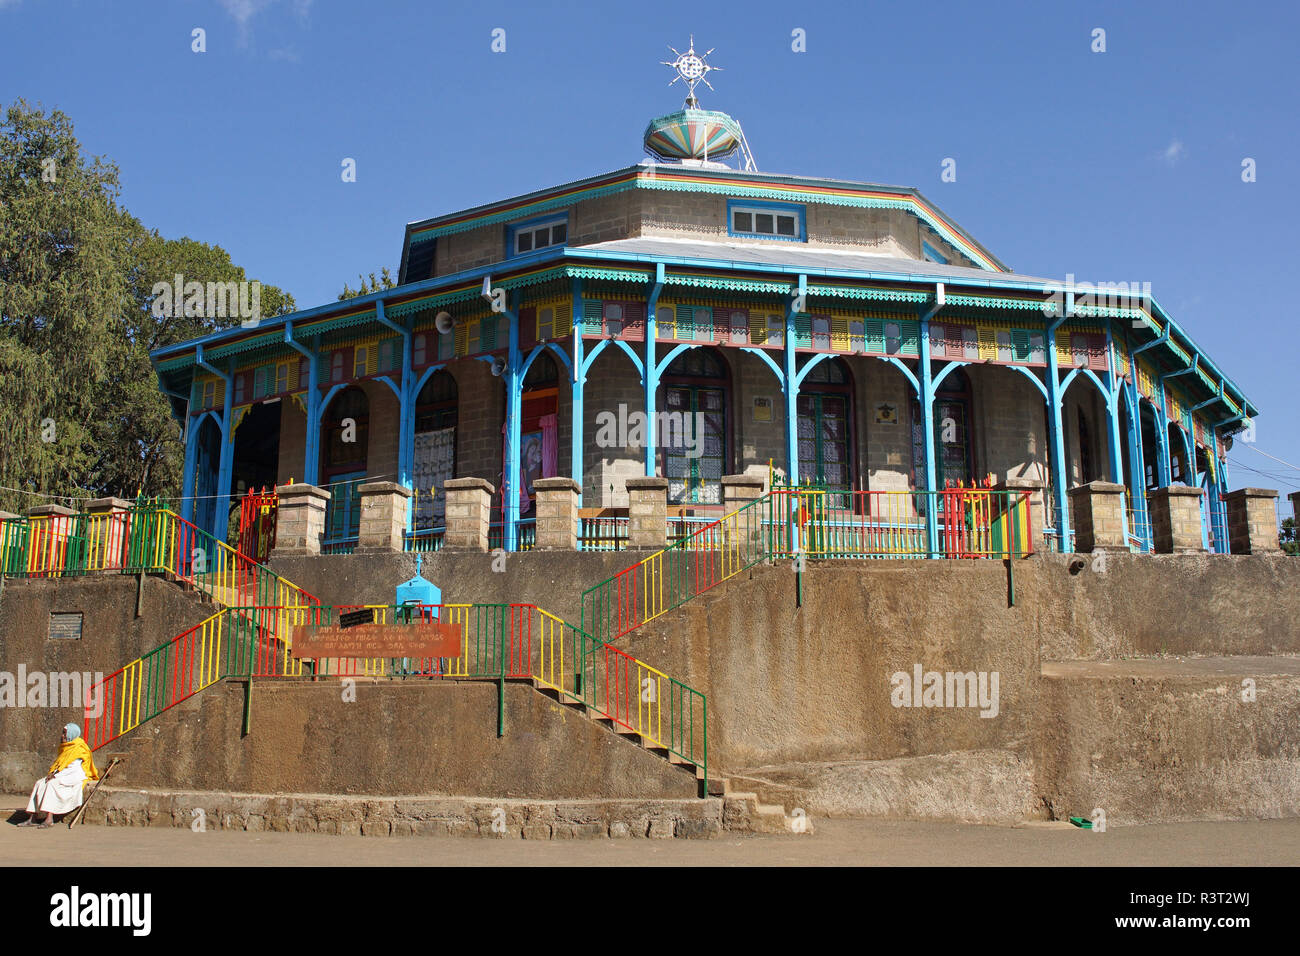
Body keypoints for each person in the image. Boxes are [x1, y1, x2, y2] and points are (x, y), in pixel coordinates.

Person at [18, 723, 99, 828]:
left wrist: (55, 776)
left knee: (51, 784)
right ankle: (32, 818)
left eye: (65, 733)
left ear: (71, 734)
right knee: (39, 783)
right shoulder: (65, 747)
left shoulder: (79, 747)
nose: (62, 736)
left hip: (74, 775)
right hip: (62, 773)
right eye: (63, 733)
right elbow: (60, 763)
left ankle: (49, 819)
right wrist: (53, 773)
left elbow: (72, 767)